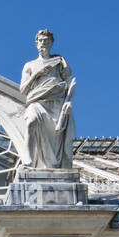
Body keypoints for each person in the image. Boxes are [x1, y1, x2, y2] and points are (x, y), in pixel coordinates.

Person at [19, 29, 76, 170]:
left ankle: (51, 165)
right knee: (31, 123)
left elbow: (70, 82)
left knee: (55, 139)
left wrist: (69, 101)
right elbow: (23, 89)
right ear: (36, 43)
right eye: (41, 40)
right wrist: (36, 75)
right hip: (37, 101)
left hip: (56, 103)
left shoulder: (59, 62)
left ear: (51, 43)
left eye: (46, 40)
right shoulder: (30, 65)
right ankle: (28, 162)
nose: (43, 43)